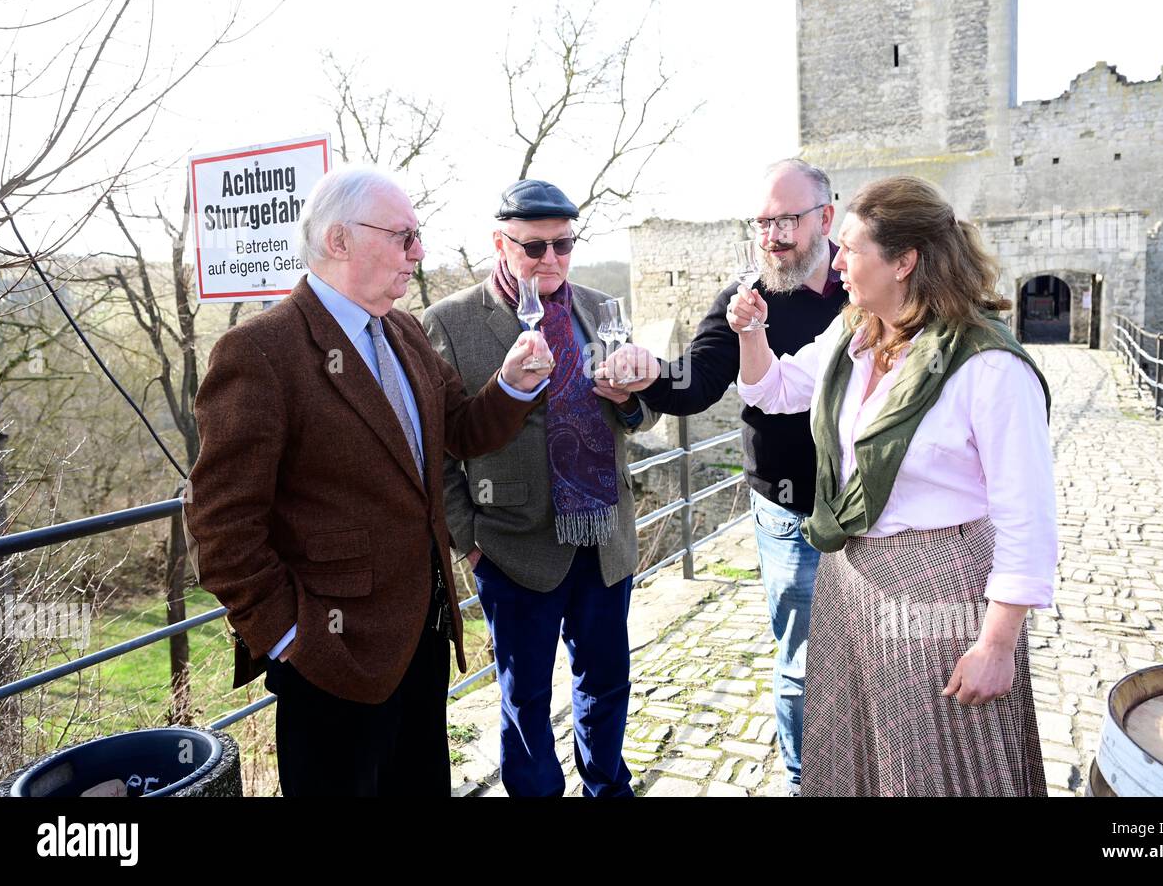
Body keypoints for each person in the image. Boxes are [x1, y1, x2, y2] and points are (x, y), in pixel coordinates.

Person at [183, 166, 552, 796]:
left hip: (422, 639)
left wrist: (515, 385)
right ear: (339, 240)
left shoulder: (403, 329)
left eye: (418, 236)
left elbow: (458, 430)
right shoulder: (262, 351)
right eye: (403, 236)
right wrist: (290, 637)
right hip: (331, 660)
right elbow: (220, 525)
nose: (420, 251)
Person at [729, 175, 1056, 796]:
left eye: (851, 248)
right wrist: (750, 333)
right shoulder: (857, 334)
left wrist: (996, 645)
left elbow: (1028, 517)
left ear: (904, 261)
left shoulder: (986, 366)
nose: (838, 260)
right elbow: (773, 390)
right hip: (852, 580)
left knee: (933, 766)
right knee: (860, 759)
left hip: (939, 589)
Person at [599, 158, 844, 795]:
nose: (773, 236)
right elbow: (699, 381)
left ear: (826, 217)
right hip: (790, 513)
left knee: (877, 655)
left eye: (786, 220)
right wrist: (649, 372)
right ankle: (802, 782)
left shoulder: (865, 282)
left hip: (880, 511)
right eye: (762, 222)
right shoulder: (746, 296)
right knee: (802, 663)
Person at [421, 179, 658, 798]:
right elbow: (438, 449)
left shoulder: (602, 307)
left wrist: (633, 401)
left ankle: (607, 787)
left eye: (564, 244)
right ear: (499, 243)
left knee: (607, 680)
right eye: (534, 248)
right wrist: (469, 541)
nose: (550, 259)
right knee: (524, 696)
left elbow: (644, 414)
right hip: (513, 544)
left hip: (605, 535)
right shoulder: (446, 323)